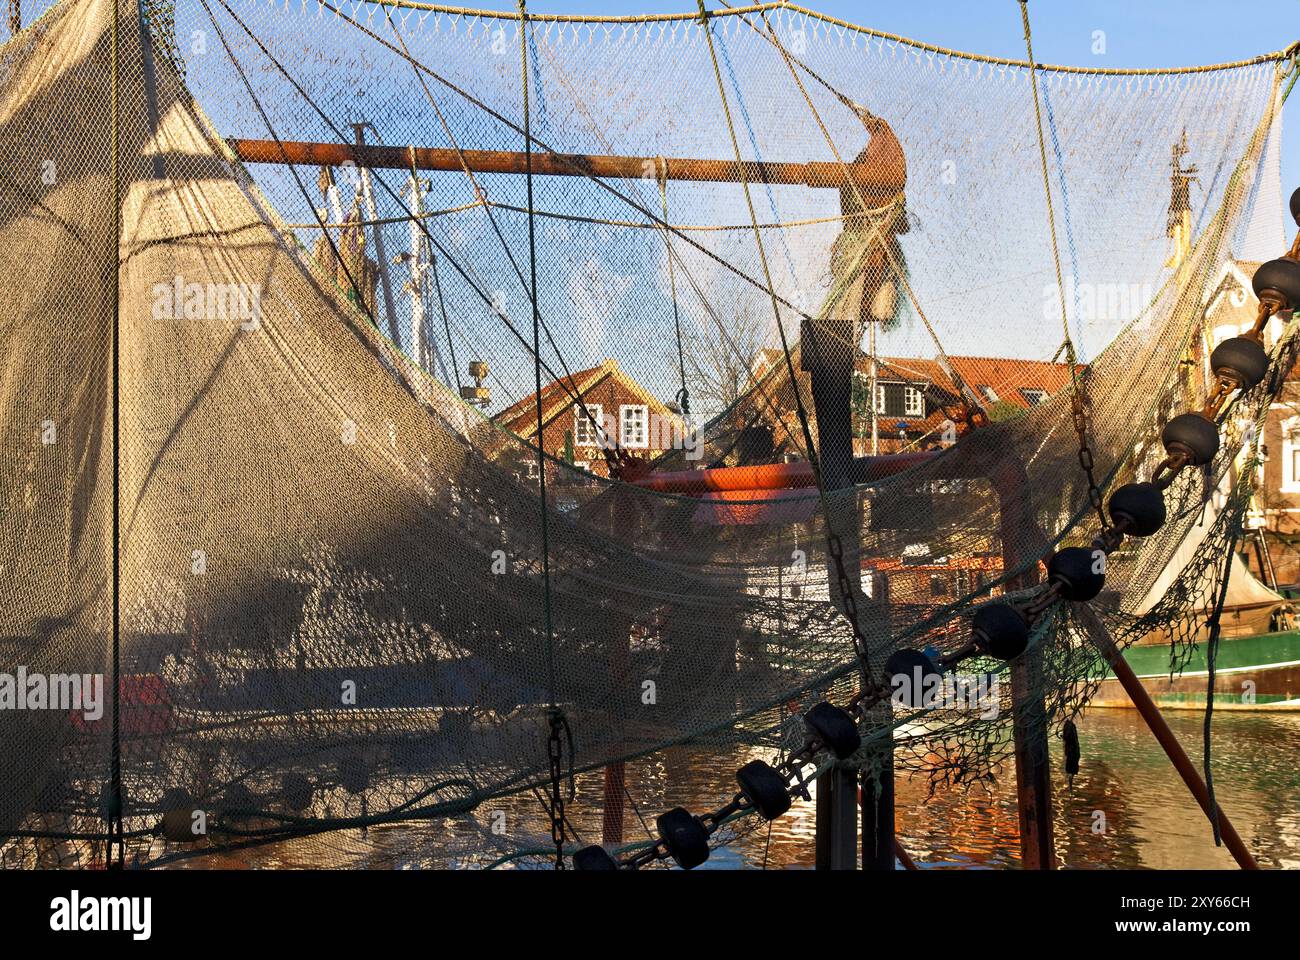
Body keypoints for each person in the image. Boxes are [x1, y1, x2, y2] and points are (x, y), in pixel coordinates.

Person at [801, 104, 908, 489]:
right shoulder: (857, 244)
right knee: (833, 342)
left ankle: (837, 478)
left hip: (857, 281)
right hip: (843, 311)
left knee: (835, 339)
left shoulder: (871, 244)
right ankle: (837, 478)